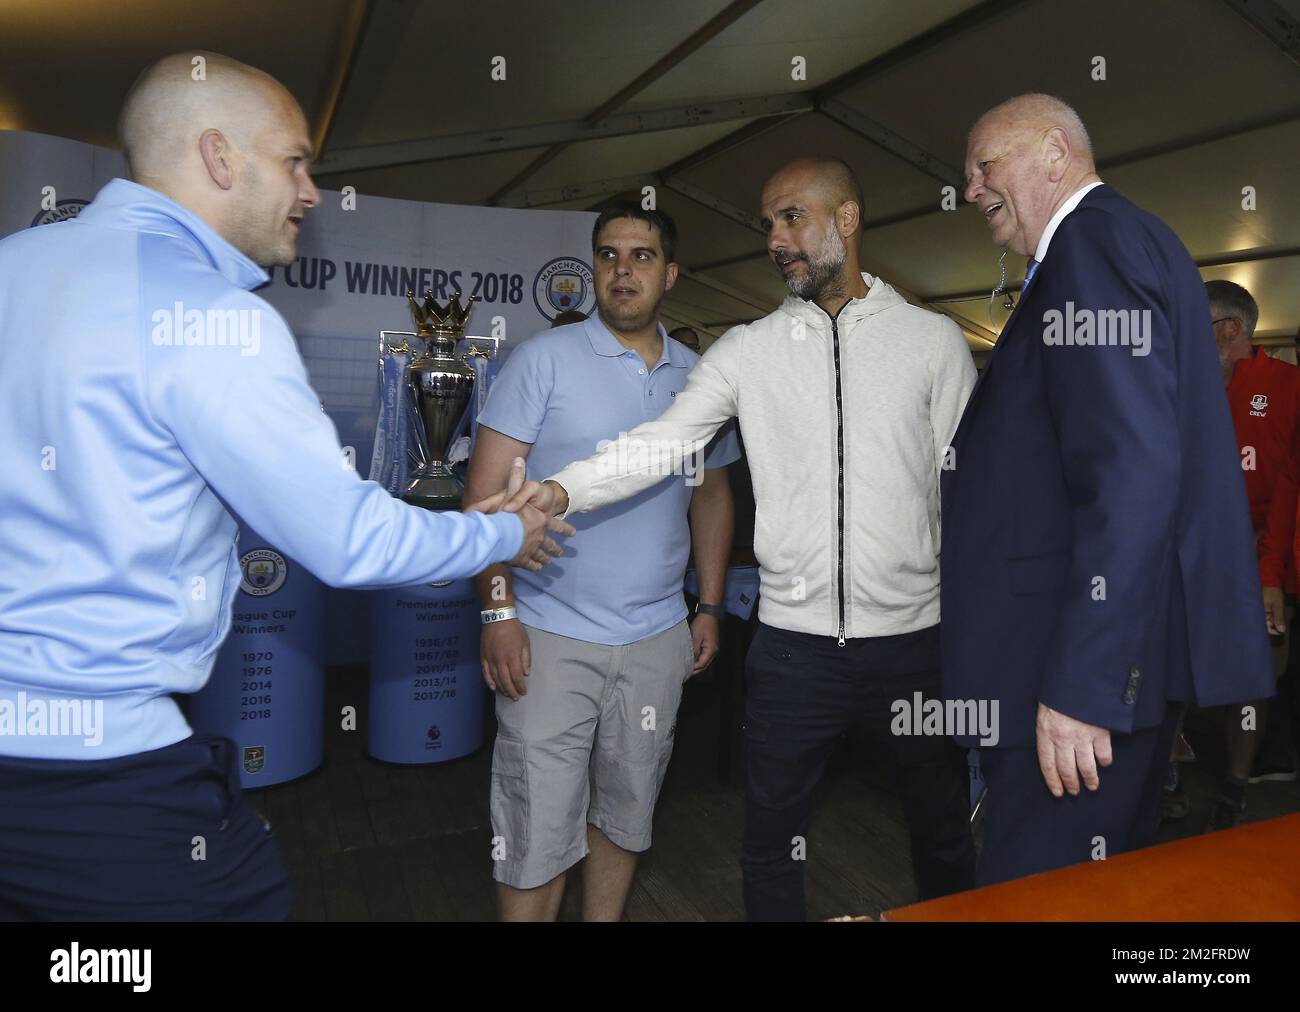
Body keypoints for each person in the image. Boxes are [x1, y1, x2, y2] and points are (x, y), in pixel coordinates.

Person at [0, 52, 569, 921]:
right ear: (220, 157)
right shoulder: (216, 320)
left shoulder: (14, 267)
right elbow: (349, 541)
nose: (311, 191)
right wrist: (502, 536)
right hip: (98, 769)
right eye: (295, 161)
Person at [483, 157, 980, 919]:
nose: (775, 239)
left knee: (942, 835)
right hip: (791, 650)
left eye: (792, 218)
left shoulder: (934, 342)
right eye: (767, 225)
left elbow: (965, 492)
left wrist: (977, 631)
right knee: (771, 843)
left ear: (847, 220)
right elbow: (659, 444)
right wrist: (556, 490)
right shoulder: (745, 351)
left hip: (913, 644)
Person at [948, 94, 1272, 884]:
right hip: (1106, 669)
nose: (968, 191)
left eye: (985, 166)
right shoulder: (1131, 240)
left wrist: (1086, 687)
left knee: (1037, 899)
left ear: (1055, 154)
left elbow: (1129, 475)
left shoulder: (1088, 247)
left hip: (1071, 683)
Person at [466, 202, 738, 921]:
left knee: (625, 815)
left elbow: (711, 494)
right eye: (609, 255)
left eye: (642, 256)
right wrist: (498, 612)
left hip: (656, 641)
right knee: (534, 833)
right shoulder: (540, 361)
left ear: (671, 273)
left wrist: (708, 605)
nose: (623, 271)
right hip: (548, 638)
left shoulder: (700, 380)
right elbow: (483, 501)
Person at [1202, 280, 1299, 827]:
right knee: (1171, 665)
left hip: (1259, 565)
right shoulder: (1185, 382)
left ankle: (1235, 786)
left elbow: (1290, 490)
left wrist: (1271, 577)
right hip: (1190, 557)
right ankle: (1165, 773)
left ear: (1231, 329)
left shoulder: (1287, 387)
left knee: (1251, 677)